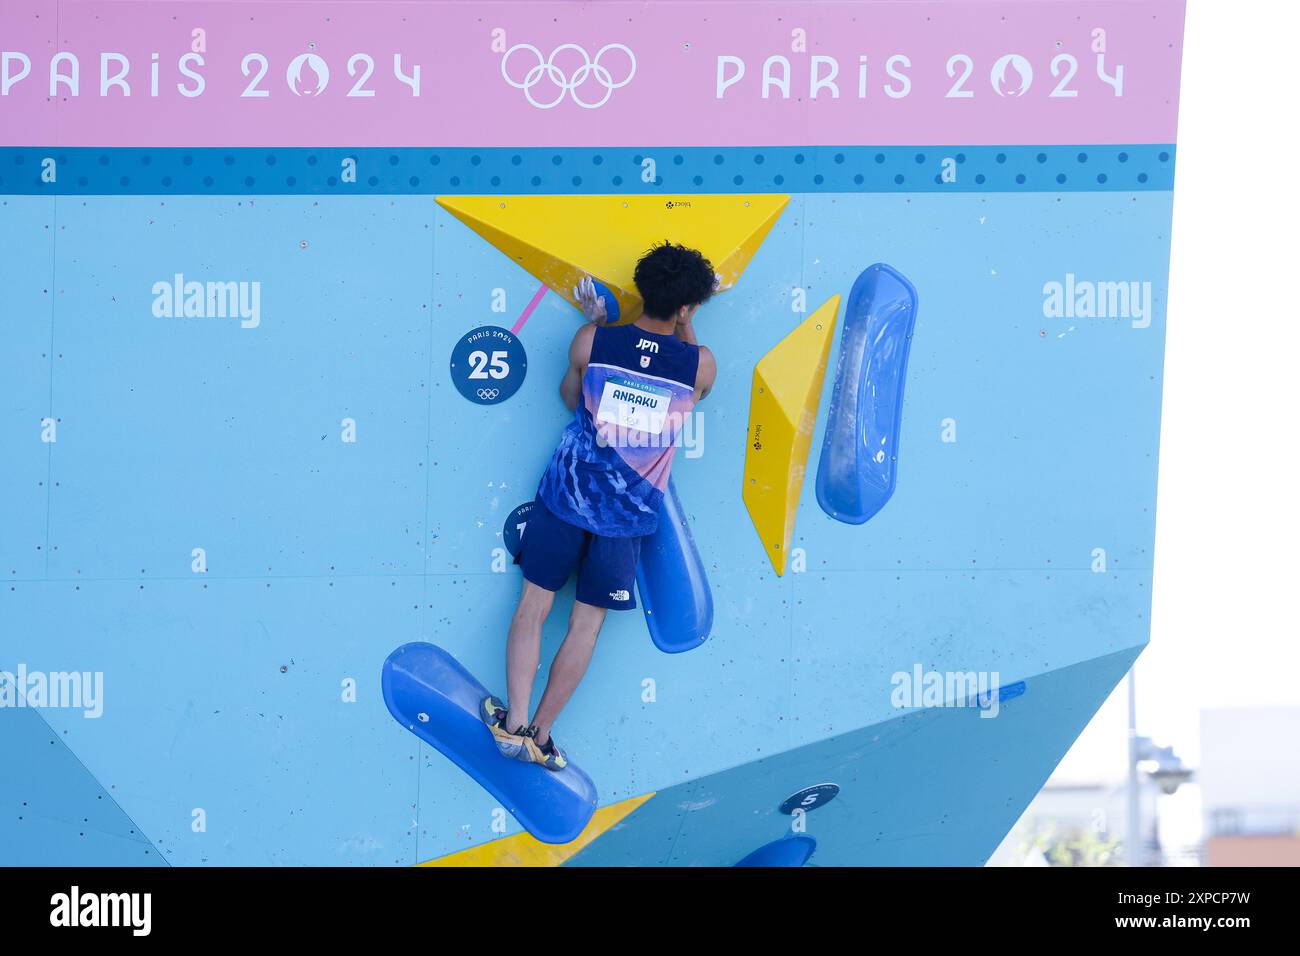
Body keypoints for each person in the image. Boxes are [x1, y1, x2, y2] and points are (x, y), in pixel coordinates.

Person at [480, 242, 719, 770]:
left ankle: (513, 725)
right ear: (685, 307)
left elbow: (570, 397)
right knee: (585, 626)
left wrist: (602, 325)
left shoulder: (591, 341)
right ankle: (540, 737)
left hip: (566, 497)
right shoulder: (699, 363)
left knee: (533, 608)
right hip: (627, 518)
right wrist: (688, 326)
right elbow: (695, 389)